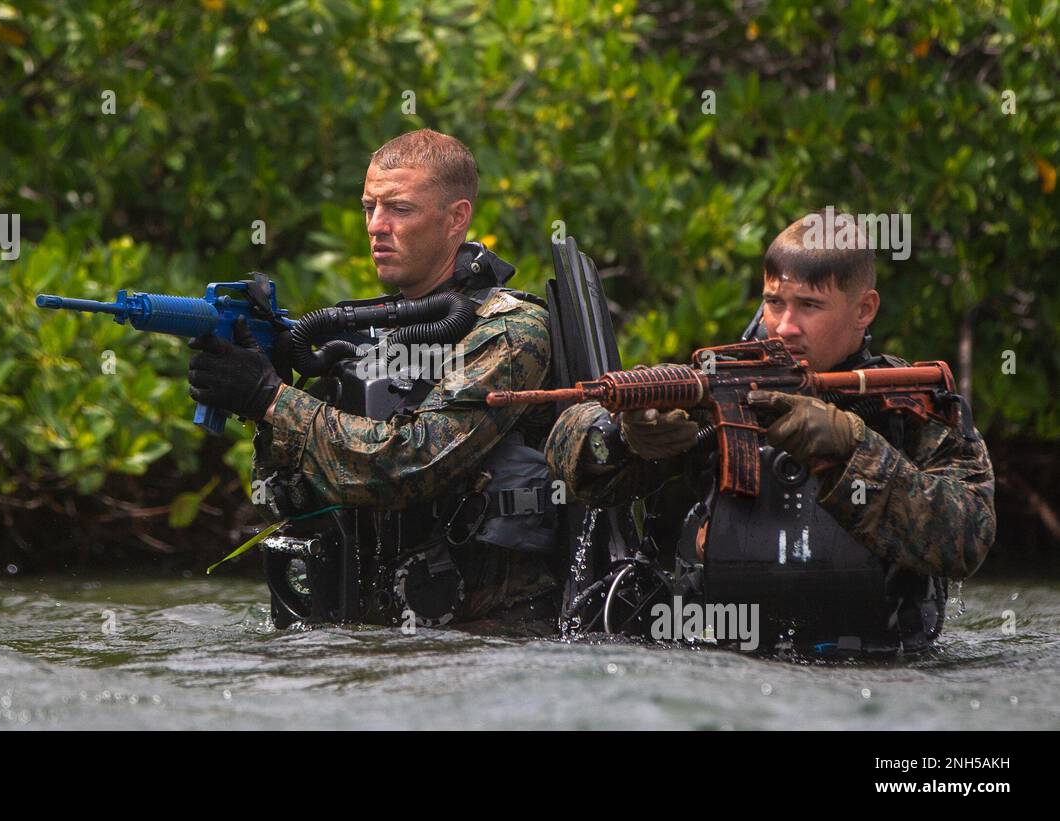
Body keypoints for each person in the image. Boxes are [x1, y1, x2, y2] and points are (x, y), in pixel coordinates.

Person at [544, 211, 997, 652]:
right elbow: (565, 452)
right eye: (774, 302)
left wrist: (853, 450)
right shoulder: (725, 384)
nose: (785, 326)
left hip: (879, 663)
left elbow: (969, 536)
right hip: (720, 661)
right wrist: (626, 438)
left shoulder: (911, 406)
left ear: (864, 310)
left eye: (810, 306)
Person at [188, 129, 561, 626]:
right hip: (377, 625)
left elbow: (414, 462)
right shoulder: (368, 334)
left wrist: (273, 399)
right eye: (369, 208)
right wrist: (263, 405)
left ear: (457, 219)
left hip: (491, 635)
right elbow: (287, 501)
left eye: (399, 209)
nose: (377, 226)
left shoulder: (511, 330)